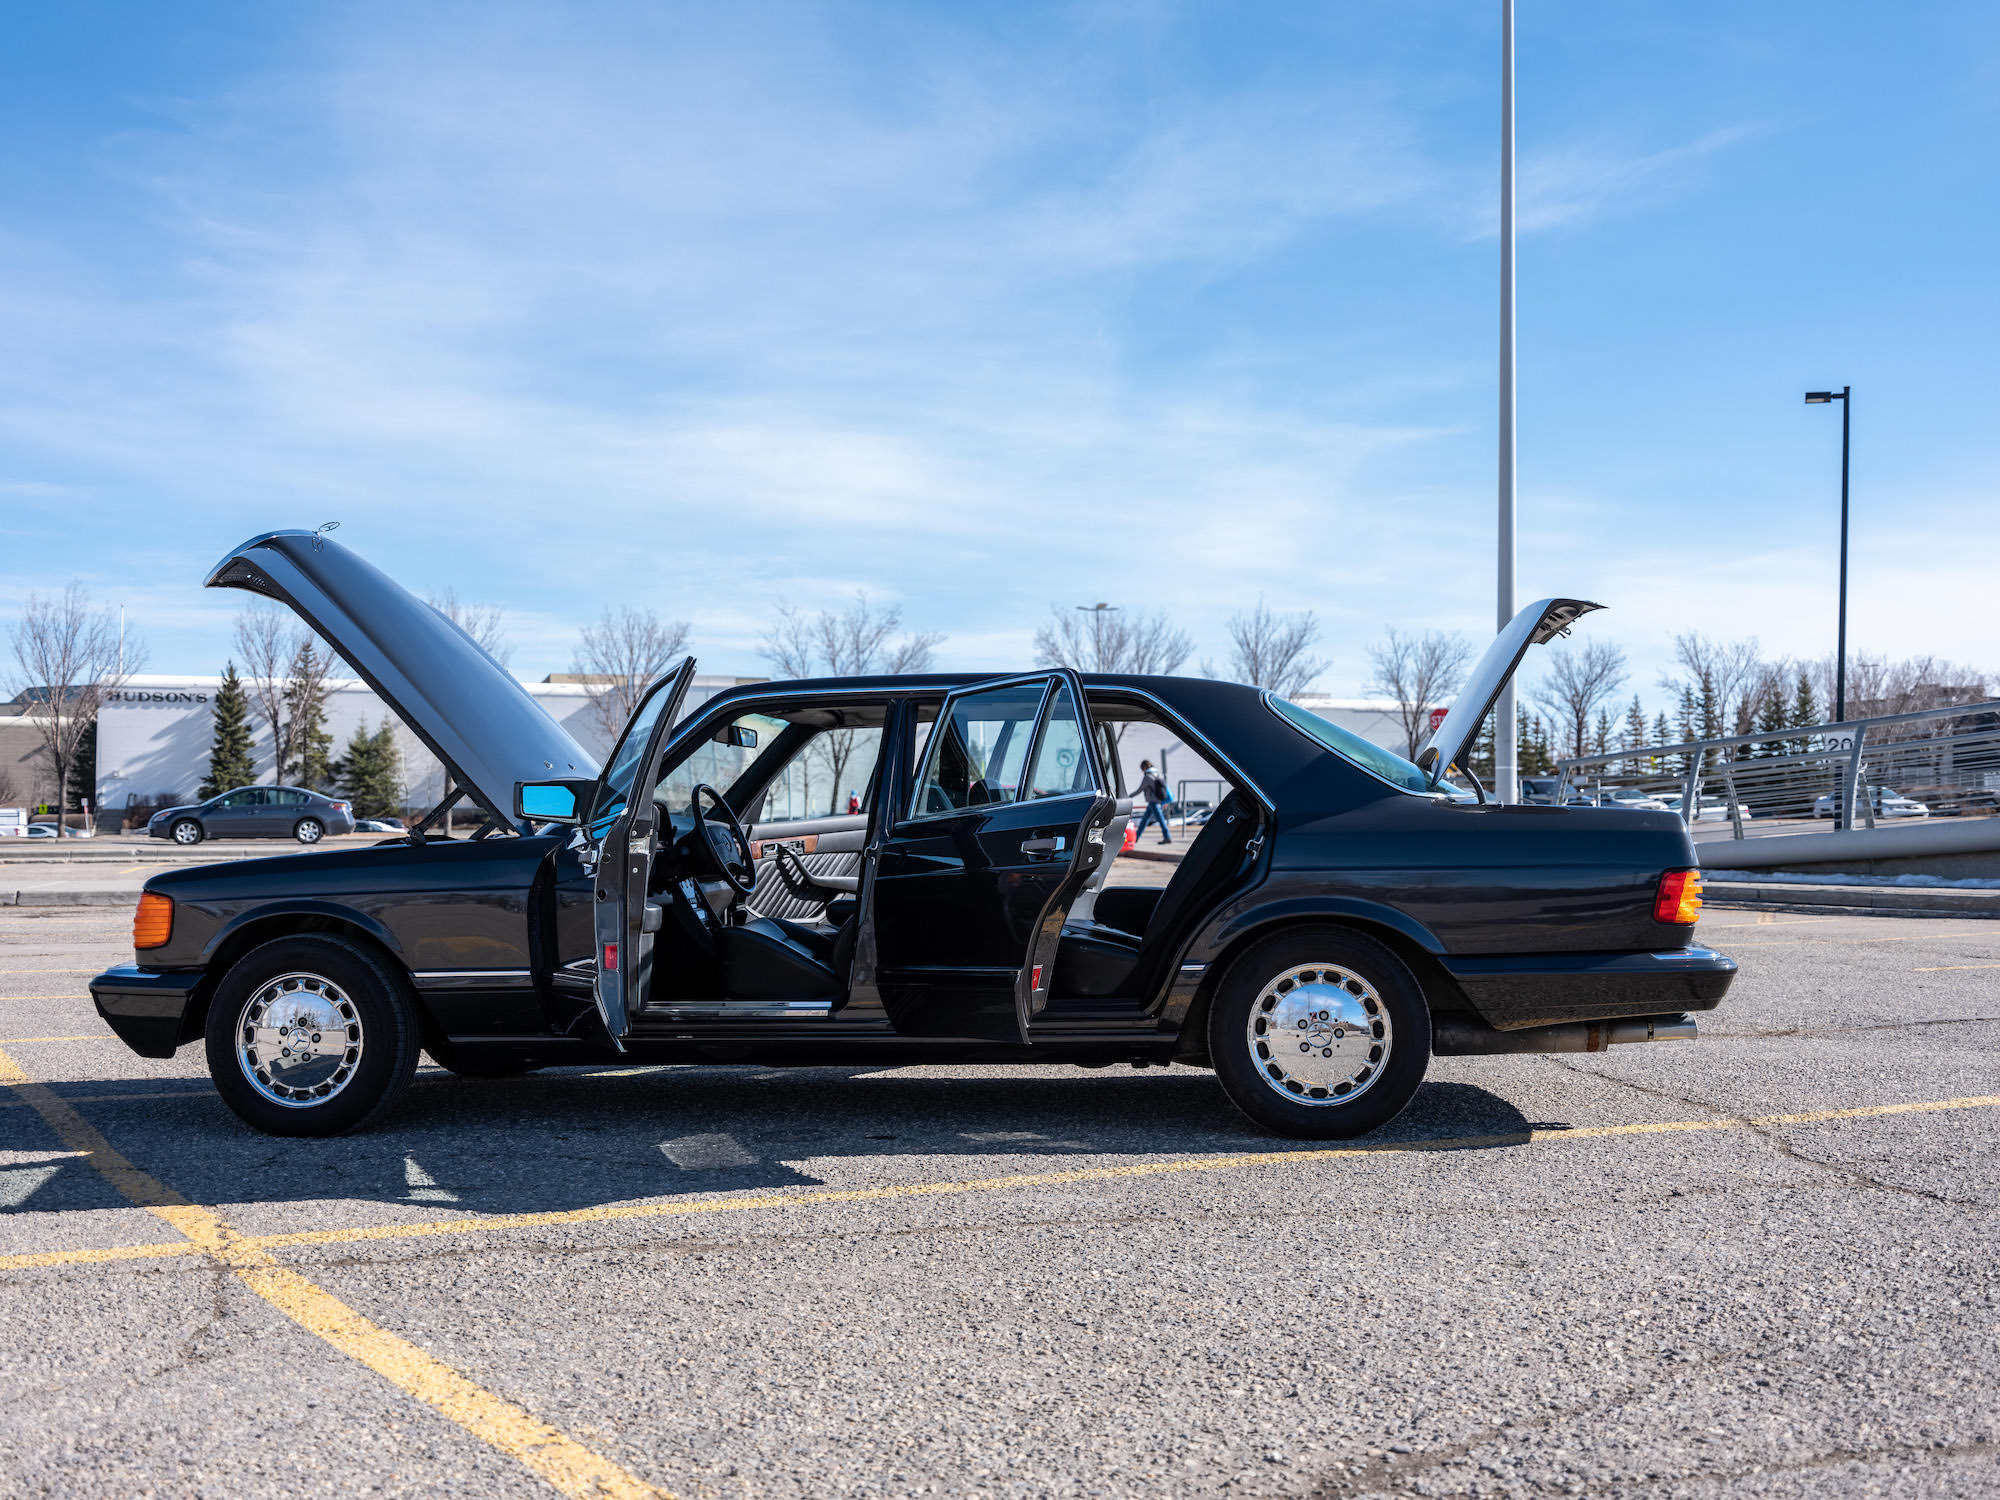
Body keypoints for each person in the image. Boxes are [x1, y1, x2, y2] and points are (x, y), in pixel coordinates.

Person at [1134, 759, 1174, 844]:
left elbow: (1140, 789)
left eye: (1142, 768)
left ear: (1144, 767)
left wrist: (1129, 796)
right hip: (1157, 801)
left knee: (1160, 820)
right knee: (1145, 820)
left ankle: (1167, 837)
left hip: (1153, 802)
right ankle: (1136, 837)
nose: (1142, 770)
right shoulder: (1158, 774)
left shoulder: (1148, 777)